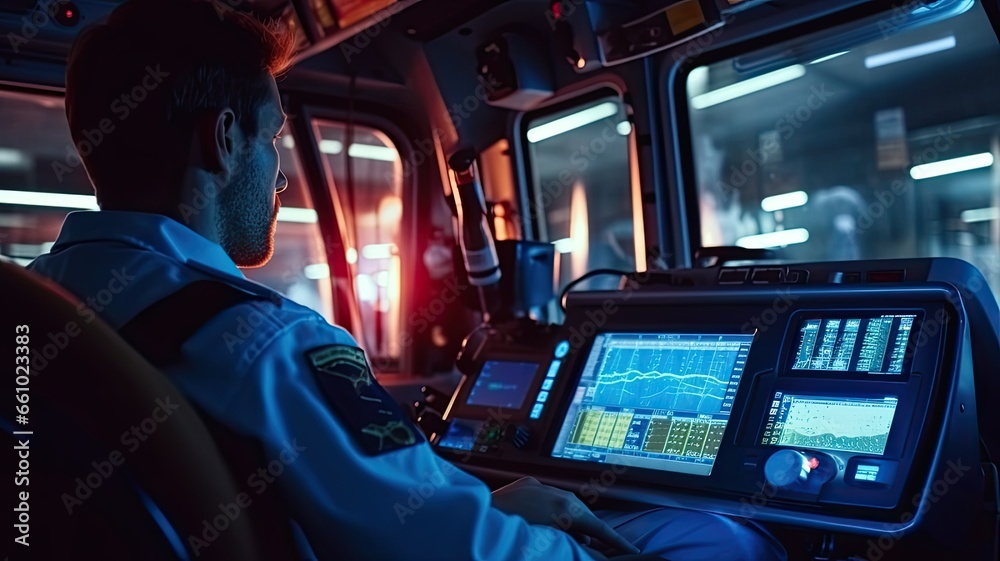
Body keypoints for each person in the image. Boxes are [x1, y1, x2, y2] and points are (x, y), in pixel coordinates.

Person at [28, 1, 787, 559]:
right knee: (724, 537)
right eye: (272, 140)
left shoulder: (31, 305)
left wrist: (487, 501)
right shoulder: (264, 344)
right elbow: (465, 554)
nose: (283, 177)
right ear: (225, 142)